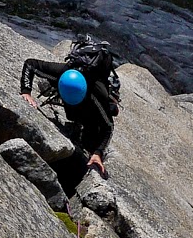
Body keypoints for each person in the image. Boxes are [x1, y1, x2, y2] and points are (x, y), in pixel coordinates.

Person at [20, 34, 120, 178]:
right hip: (70, 87)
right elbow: (30, 64)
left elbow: (108, 126)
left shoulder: (96, 93)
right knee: (72, 114)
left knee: (93, 130)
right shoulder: (62, 73)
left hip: (90, 103)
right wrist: (26, 92)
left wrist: (98, 153)